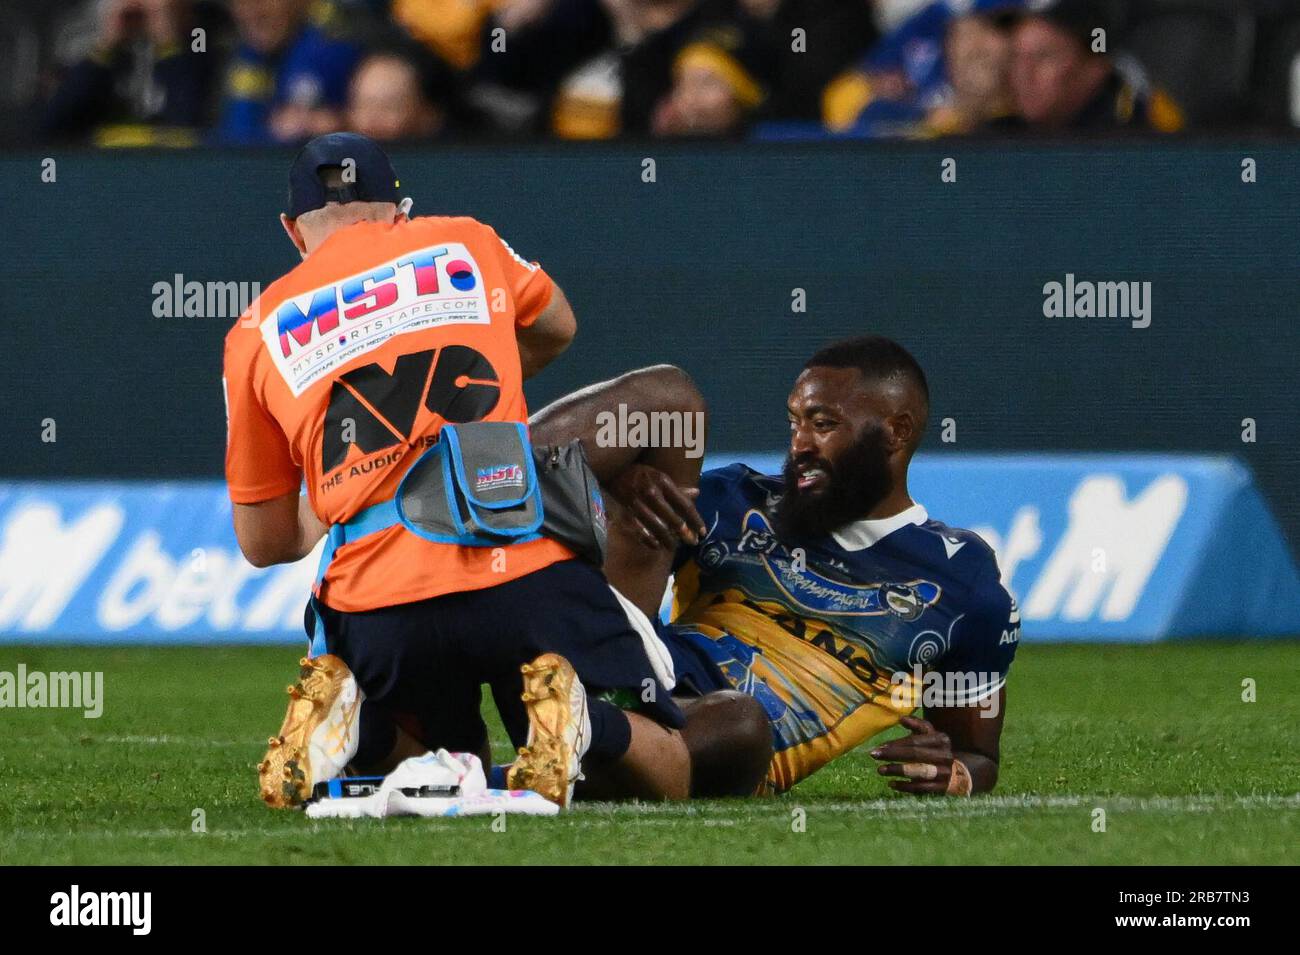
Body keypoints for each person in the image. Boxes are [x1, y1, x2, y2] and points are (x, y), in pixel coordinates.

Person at [223, 132, 697, 809]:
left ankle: (362, 731)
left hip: (376, 599)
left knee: (448, 767)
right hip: (517, 560)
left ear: (292, 231)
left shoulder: (252, 331)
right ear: (397, 209)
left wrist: (341, 490)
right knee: (669, 767)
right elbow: (559, 325)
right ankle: (586, 722)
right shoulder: (466, 242)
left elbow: (265, 543)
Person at [536, 337, 1021, 795]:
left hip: (716, 739)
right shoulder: (736, 497)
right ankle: (480, 473)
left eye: (824, 424)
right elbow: (623, 549)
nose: (799, 444)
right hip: (628, 666)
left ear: (897, 431)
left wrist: (954, 773)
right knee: (670, 397)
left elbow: (977, 754)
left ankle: (563, 744)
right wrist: (628, 482)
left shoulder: (963, 582)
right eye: (795, 423)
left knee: (742, 722)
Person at [1007, 0, 1183, 132]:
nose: (1023, 73)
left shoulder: (1139, 144)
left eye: (1044, 56)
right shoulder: (999, 135)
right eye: (1015, 57)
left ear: (1095, 67)